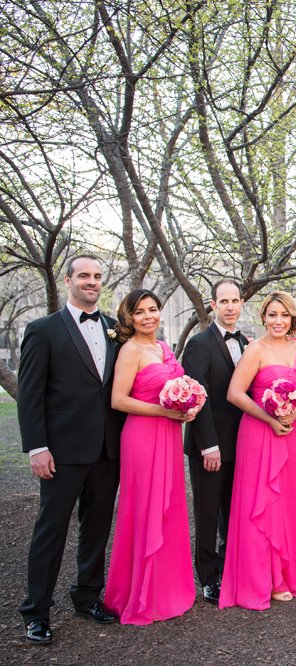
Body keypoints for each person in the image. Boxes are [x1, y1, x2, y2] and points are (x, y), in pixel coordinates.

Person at [17, 255, 123, 643]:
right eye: (84, 276)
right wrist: (37, 447)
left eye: (97, 276)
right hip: (61, 451)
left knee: (96, 528)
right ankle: (36, 612)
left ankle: (87, 595)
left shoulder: (115, 329)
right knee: (51, 530)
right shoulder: (43, 330)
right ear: (68, 280)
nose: (91, 282)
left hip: (107, 450)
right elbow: (29, 396)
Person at [219, 292, 296, 609]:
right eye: (272, 315)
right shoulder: (256, 349)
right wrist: (269, 417)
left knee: (291, 500)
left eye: (284, 315)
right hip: (259, 433)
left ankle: (293, 573)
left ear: (293, 318)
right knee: (262, 502)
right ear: (264, 317)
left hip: (291, 432)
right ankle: (266, 577)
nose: (278, 321)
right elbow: (234, 393)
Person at [105, 289, 196, 624]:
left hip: (169, 436)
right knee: (144, 509)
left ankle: (166, 587)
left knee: (168, 507)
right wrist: (163, 411)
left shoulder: (163, 347)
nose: (148, 316)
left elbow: (175, 389)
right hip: (142, 437)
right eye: (140, 312)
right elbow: (118, 400)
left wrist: (187, 405)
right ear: (128, 317)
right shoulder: (130, 351)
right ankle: (138, 592)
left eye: (153, 309)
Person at [182, 279, 249, 604]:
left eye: (235, 300)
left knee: (233, 511)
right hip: (210, 446)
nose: (230, 307)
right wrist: (209, 446)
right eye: (224, 301)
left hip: (244, 444)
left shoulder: (248, 343)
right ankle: (208, 577)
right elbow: (198, 398)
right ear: (212, 305)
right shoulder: (198, 344)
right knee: (208, 512)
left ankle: (230, 568)